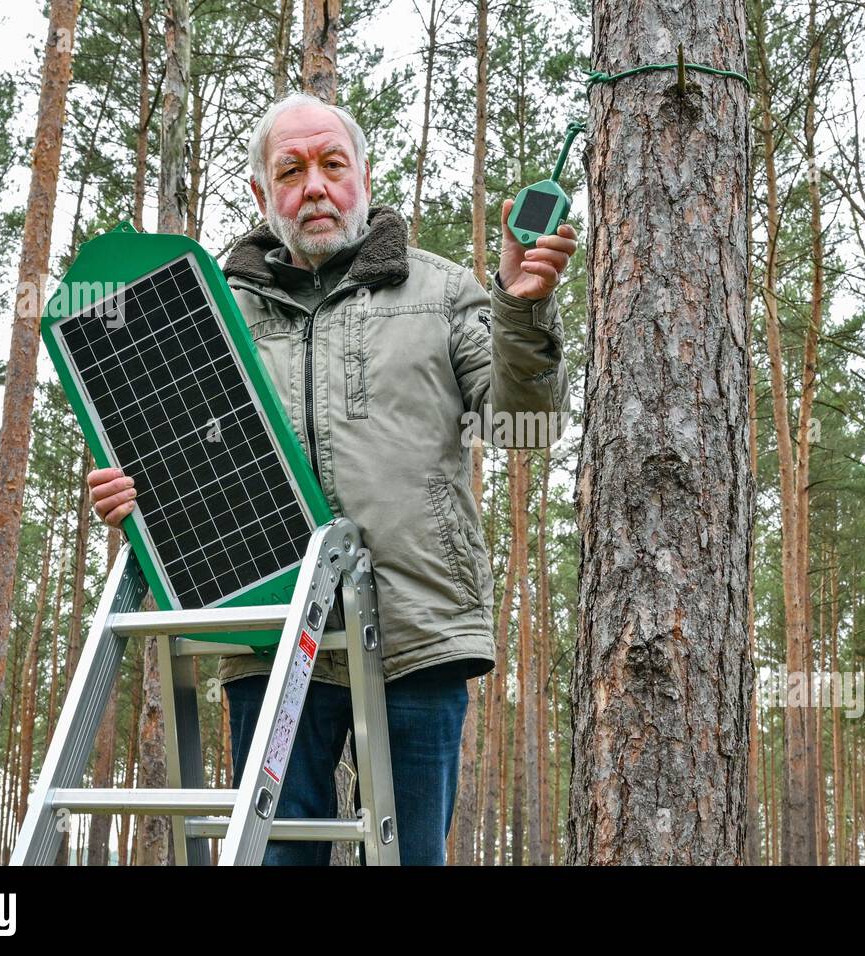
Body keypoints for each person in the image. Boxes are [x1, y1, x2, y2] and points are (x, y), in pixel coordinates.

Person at [86, 91, 576, 865]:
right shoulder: (211, 309)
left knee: (411, 857)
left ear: (363, 176)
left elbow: (529, 428)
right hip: (268, 632)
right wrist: (130, 497)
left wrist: (523, 309)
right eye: (291, 170)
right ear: (261, 193)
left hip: (419, 629)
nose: (314, 186)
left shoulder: (441, 290)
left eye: (332, 164)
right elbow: (167, 466)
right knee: (278, 856)